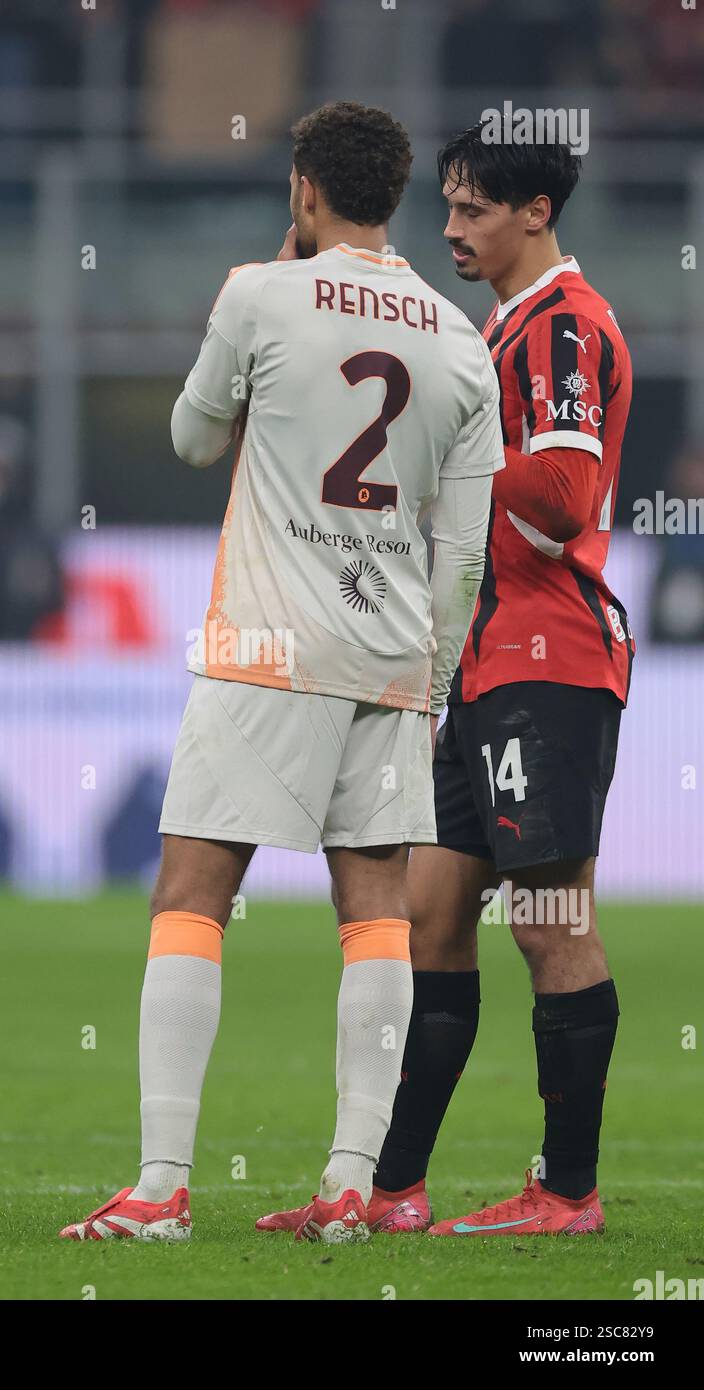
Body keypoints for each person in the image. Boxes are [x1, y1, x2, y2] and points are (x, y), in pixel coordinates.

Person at [59, 100, 504, 1245]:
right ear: (397, 196)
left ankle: (161, 1186)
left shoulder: (259, 291)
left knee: (192, 894)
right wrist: (435, 671)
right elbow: (464, 548)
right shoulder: (457, 340)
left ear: (304, 187)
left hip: (266, 643)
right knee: (376, 915)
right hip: (395, 656)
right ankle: (353, 1184)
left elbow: (192, 440)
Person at [259, 122, 634, 1239]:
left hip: (547, 660)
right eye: (452, 206)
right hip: (483, 659)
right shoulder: (506, 327)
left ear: (535, 214)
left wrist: (441, 454)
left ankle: (567, 1194)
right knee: (429, 920)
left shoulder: (561, 326)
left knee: (552, 921)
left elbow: (565, 492)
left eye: (474, 211)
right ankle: (393, 1190)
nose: (453, 228)